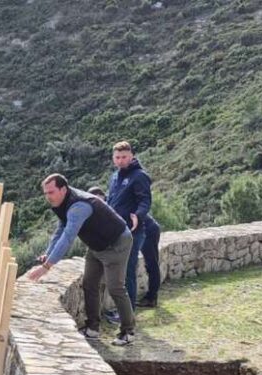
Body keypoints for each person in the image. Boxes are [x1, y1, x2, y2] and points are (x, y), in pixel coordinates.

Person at [27, 174, 135, 346]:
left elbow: (68, 237)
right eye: (45, 193)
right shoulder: (62, 202)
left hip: (116, 242)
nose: (48, 197)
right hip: (96, 245)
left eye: (51, 192)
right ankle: (93, 329)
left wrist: (47, 267)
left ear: (63, 189)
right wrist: (48, 252)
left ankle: (127, 332)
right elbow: (60, 229)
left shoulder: (79, 206)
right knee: (89, 284)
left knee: (115, 287)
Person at [106, 140, 152, 310]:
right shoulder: (115, 176)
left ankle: (128, 311)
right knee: (119, 272)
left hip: (133, 232)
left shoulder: (139, 175)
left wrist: (138, 215)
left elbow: (145, 200)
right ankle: (123, 310)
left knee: (128, 271)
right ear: (113, 158)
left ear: (131, 156)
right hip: (114, 231)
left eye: (124, 157)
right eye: (117, 157)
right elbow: (111, 201)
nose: (120, 161)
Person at [138, 215, 161, 307]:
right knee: (152, 265)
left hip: (148, 230)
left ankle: (151, 298)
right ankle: (152, 297)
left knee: (152, 265)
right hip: (149, 228)